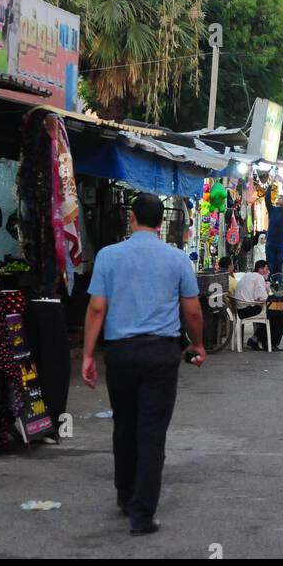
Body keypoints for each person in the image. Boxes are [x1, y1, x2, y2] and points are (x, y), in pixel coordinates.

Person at [82, 193, 206, 535]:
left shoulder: (109, 257)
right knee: (151, 432)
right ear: (160, 222)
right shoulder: (178, 259)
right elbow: (193, 311)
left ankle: (125, 494)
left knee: (124, 425)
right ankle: (142, 513)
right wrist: (197, 344)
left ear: (132, 218)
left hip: (120, 354)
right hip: (161, 355)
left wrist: (88, 355)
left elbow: (96, 309)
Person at [234, 260, 283, 351]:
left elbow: (255, 295)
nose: (269, 272)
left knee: (271, 315)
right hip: (248, 310)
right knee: (282, 315)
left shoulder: (248, 275)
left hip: (241, 309)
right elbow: (263, 298)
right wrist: (267, 288)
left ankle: (255, 339)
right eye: (267, 269)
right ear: (260, 269)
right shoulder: (259, 277)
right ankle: (273, 343)